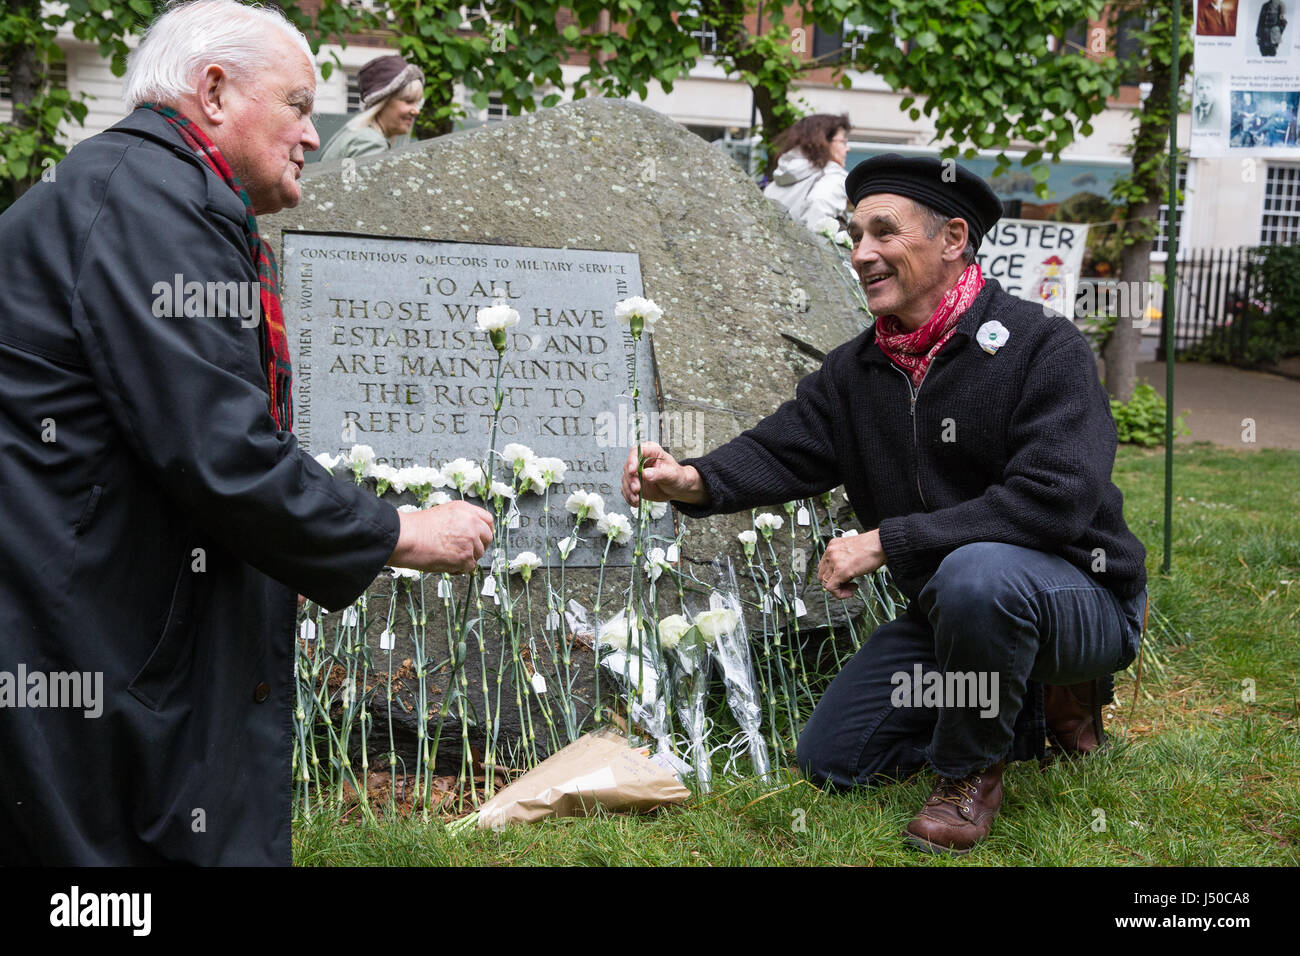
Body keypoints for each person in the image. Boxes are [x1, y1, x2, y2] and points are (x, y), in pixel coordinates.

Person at [0, 0, 493, 865]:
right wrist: (398, 531)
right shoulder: (145, 204)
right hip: (83, 629)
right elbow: (216, 446)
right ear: (215, 90)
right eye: (300, 105)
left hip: (109, 607)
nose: (313, 133)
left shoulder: (157, 192)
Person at [622, 154, 1148, 855]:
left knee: (978, 574)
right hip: (952, 615)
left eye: (883, 233)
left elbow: (1051, 502)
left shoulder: (1041, 347)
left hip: (1080, 598)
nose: (861, 253)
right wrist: (688, 480)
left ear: (954, 238)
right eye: (854, 234)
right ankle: (1017, 705)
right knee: (835, 760)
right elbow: (781, 451)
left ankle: (969, 776)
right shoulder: (858, 369)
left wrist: (887, 541)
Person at [320, 54, 424, 161]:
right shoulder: (370, 143)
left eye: (417, 103)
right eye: (409, 101)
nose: (416, 111)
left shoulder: (358, 135)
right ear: (382, 102)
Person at [762, 113, 851, 231]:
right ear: (823, 141)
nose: (848, 148)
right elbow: (820, 205)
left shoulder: (775, 183)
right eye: (843, 141)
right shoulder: (833, 177)